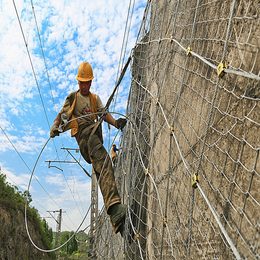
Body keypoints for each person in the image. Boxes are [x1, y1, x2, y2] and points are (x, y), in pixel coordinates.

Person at [50, 62, 127, 236]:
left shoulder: (94, 99)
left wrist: (116, 123)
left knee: (102, 168)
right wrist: (55, 127)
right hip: (84, 137)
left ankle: (117, 221)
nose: (84, 86)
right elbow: (62, 115)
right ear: (78, 82)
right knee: (104, 160)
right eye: (81, 83)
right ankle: (115, 209)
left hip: (94, 136)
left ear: (91, 82)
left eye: (86, 82)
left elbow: (102, 113)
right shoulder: (73, 98)